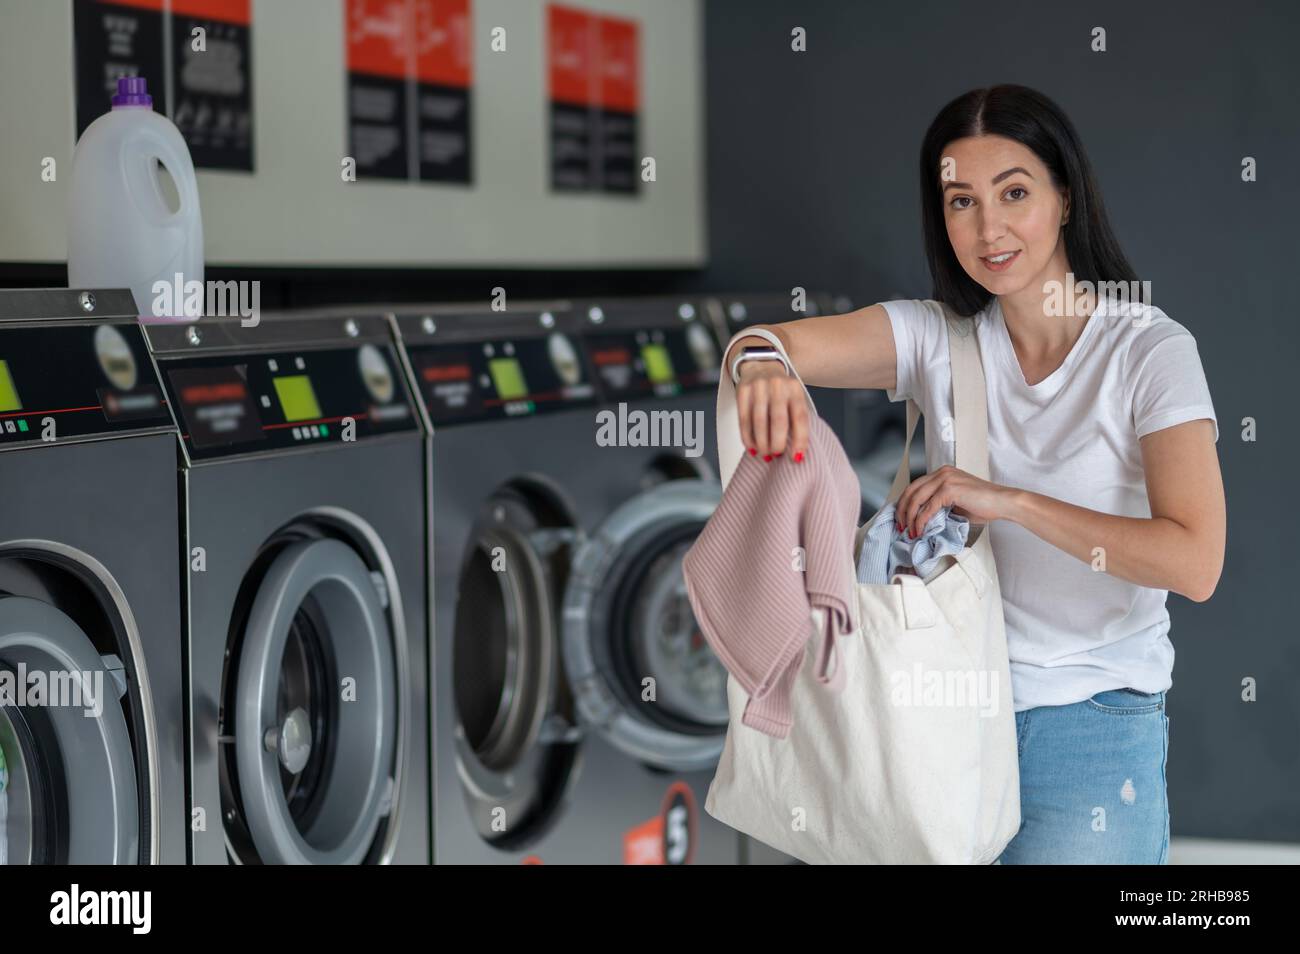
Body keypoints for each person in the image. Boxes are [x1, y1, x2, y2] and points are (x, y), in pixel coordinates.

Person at [723, 84, 1225, 864]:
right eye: (961, 201)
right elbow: (766, 342)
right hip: (938, 716)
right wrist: (763, 366)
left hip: (1088, 725)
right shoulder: (938, 338)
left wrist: (1012, 502)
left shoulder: (1148, 353)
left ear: (1064, 198)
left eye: (1014, 192)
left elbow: (1194, 563)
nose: (989, 228)